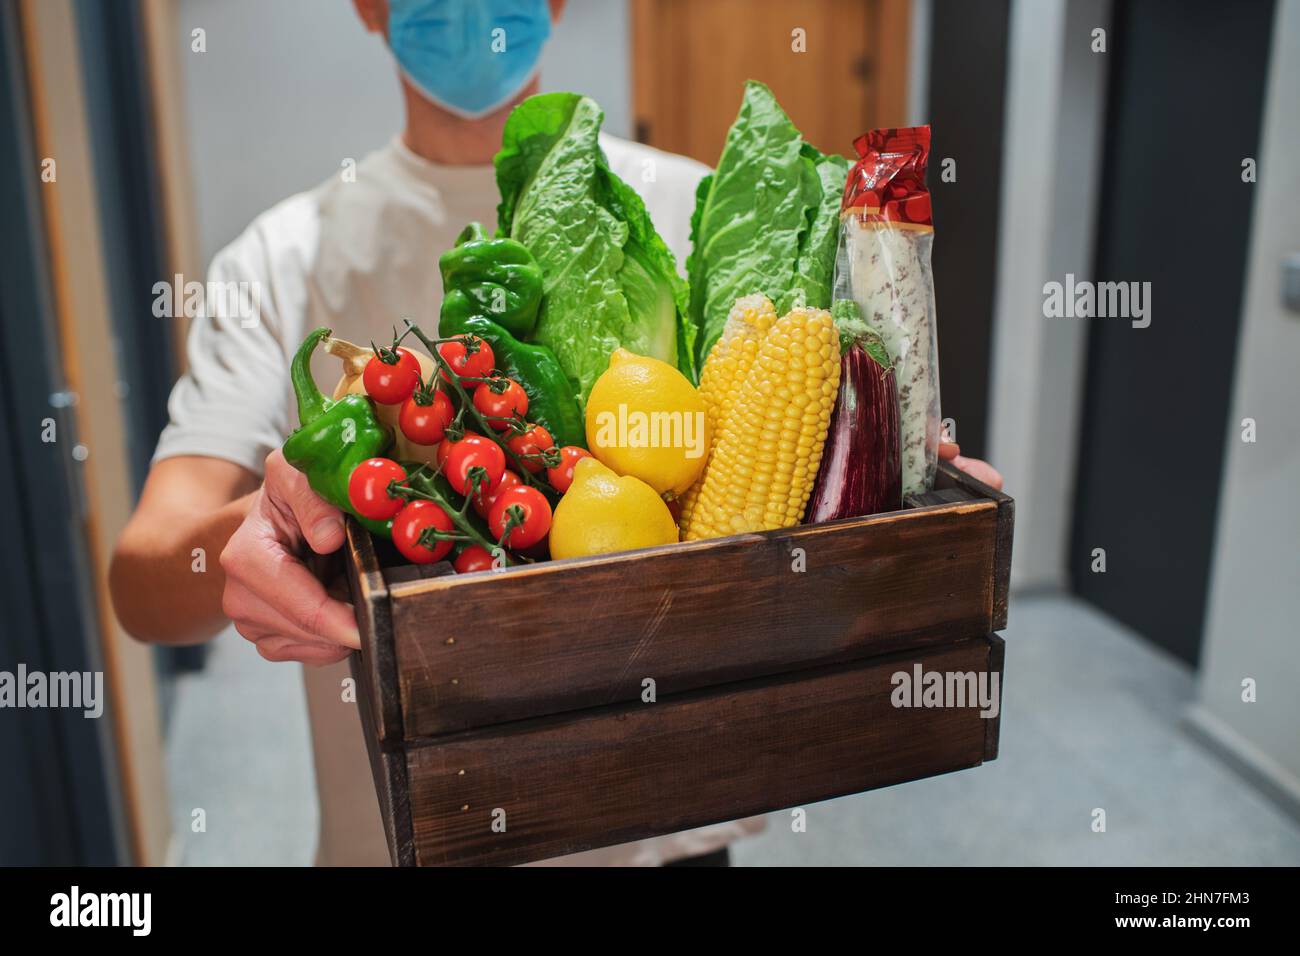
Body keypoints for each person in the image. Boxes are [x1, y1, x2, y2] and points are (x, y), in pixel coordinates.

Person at [110, 0, 1000, 868]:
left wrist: (895, 481)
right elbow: (142, 587)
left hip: (673, 824)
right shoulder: (272, 259)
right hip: (414, 828)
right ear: (367, 6)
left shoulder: (689, 196)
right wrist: (253, 536)